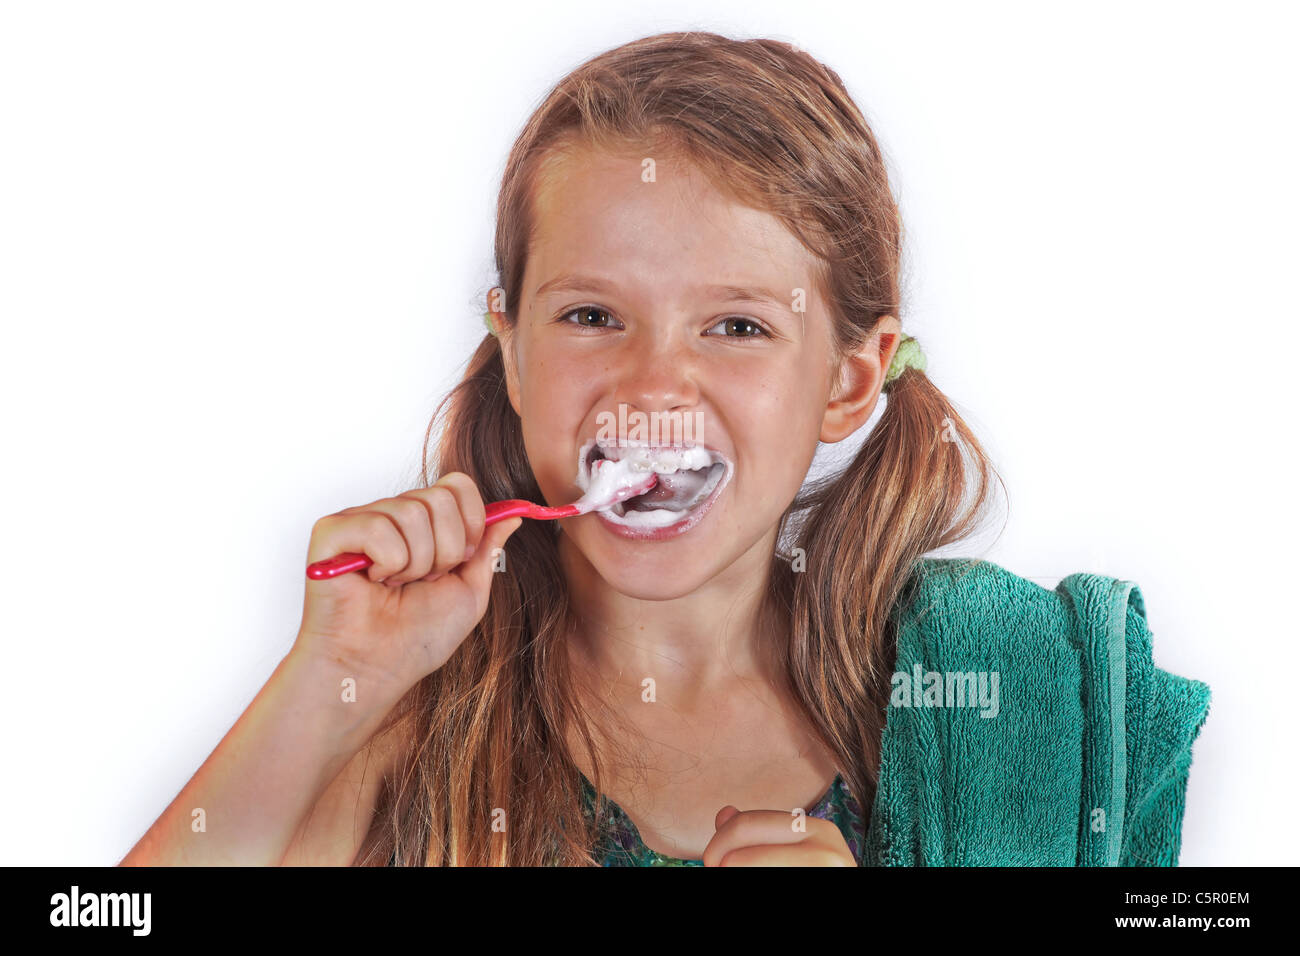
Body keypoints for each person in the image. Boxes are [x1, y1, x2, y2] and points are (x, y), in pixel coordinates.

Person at [119, 31, 1205, 867]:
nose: (650, 386)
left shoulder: (1007, 692)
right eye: (591, 315)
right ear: (508, 345)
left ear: (848, 379)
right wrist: (330, 683)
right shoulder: (403, 728)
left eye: (736, 326)